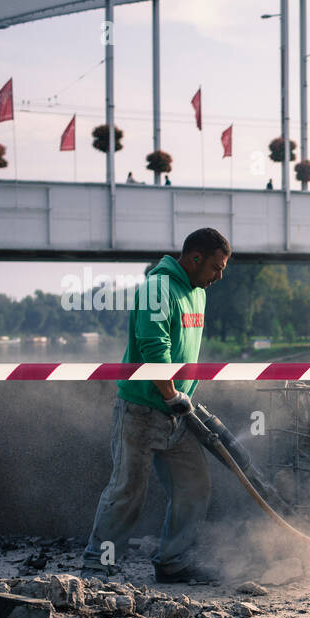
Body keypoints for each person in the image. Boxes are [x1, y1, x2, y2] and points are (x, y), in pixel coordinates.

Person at [82, 228, 231, 584]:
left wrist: (181, 400)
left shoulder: (197, 293)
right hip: (143, 409)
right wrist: (170, 395)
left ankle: (173, 561)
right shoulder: (157, 289)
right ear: (194, 258)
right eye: (215, 267)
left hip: (179, 412)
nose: (218, 276)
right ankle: (96, 567)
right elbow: (154, 349)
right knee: (127, 490)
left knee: (194, 486)